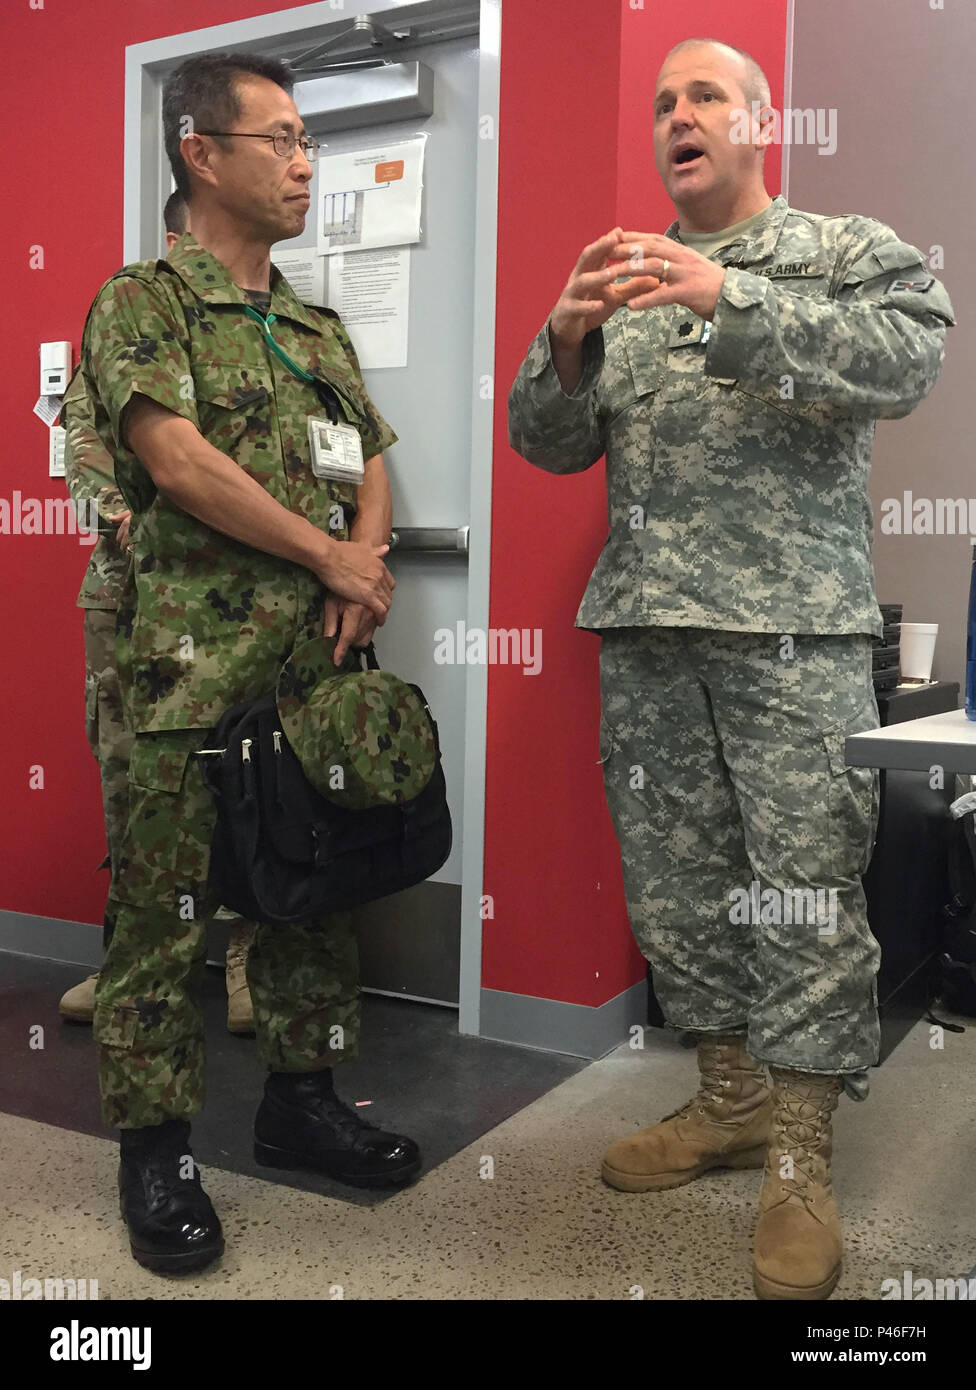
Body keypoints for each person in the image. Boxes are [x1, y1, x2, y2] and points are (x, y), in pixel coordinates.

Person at [508, 37, 954, 1300]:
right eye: (661, 104)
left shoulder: (839, 250)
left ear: (763, 122)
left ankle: (802, 1152)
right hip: (649, 634)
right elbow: (545, 447)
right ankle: (728, 1098)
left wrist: (727, 297)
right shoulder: (622, 274)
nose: (676, 117)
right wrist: (564, 339)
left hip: (791, 636)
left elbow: (909, 360)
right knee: (680, 884)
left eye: (703, 96)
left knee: (805, 888)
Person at [79, 51, 418, 1275]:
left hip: (305, 674)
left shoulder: (316, 325)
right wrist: (333, 560)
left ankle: (301, 1101)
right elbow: (173, 460)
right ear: (200, 152)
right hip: (177, 670)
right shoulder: (142, 303)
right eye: (278, 138)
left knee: (311, 892)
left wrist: (365, 563)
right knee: (167, 915)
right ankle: (156, 1148)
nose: (304, 161)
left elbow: (368, 454)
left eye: (309, 141)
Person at [59, 192, 258, 1037]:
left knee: (256, 777)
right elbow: (81, 438)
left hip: (238, 603)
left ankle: (253, 956)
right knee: (131, 781)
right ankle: (129, 955)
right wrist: (115, 507)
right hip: (127, 595)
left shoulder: (270, 335)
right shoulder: (125, 318)